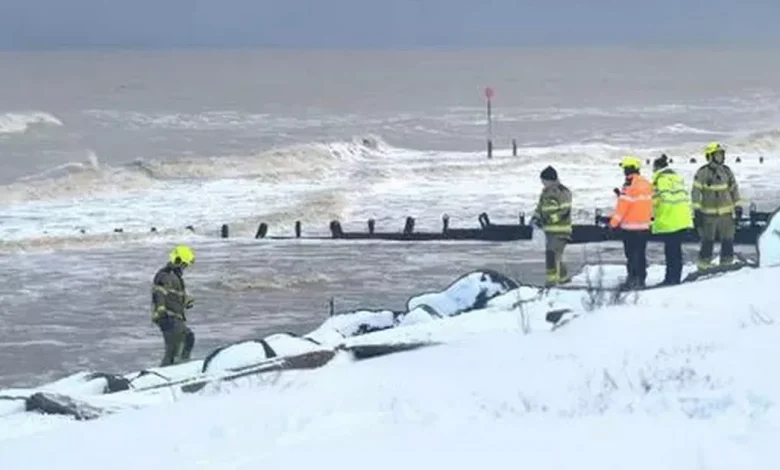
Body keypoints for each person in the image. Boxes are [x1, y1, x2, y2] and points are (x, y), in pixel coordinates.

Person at [691, 142, 741, 270]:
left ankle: (727, 264)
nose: (721, 157)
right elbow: (696, 192)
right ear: (710, 156)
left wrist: (738, 206)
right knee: (707, 242)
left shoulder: (727, 171)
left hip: (726, 215)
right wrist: (696, 211)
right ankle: (704, 266)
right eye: (717, 154)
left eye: (721, 154)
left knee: (728, 240)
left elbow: (734, 190)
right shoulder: (702, 173)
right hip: (709, 216)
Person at [609, 156, 653, 288]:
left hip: (630, 227)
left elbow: (623, 207)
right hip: (644, 226)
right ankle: (641, 279)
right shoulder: (646, 183)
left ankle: (633, 280)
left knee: (631, 255)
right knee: (640, 254)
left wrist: (613, 224)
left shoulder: (629, 185)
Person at [650, 154, 694, 285]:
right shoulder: (677, 178)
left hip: (669, 219)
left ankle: (670, 280)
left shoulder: (660, 180)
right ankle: (675, 278)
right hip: (682, 218)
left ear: (657, 167)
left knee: (670, 251)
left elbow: (660, 200)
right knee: (676, 250)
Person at [152, 245, 196, 367]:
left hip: (175, 316)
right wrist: (161, 310)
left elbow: (174, 295)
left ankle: (182, 364)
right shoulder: (165, 275)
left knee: (188, 338)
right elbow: (159, 293)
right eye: (184, 264)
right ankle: (167, 370)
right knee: (173, 347)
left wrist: (186, 301)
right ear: (178, 261)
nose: (185, 267)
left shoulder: (176, 277)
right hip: (167, 317)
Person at [531, 165, 573, 287]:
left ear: (550, 179)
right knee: (556, 256)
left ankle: (551, 283)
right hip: (549, 231)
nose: (542, 183)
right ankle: (564, 280)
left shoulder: (562, 192)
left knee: (552, 256)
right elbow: (540, 208)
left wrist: (549, 219)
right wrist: (536, 218)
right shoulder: (545, 193)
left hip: (561, 231)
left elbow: (564, 211)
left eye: (544, 180)